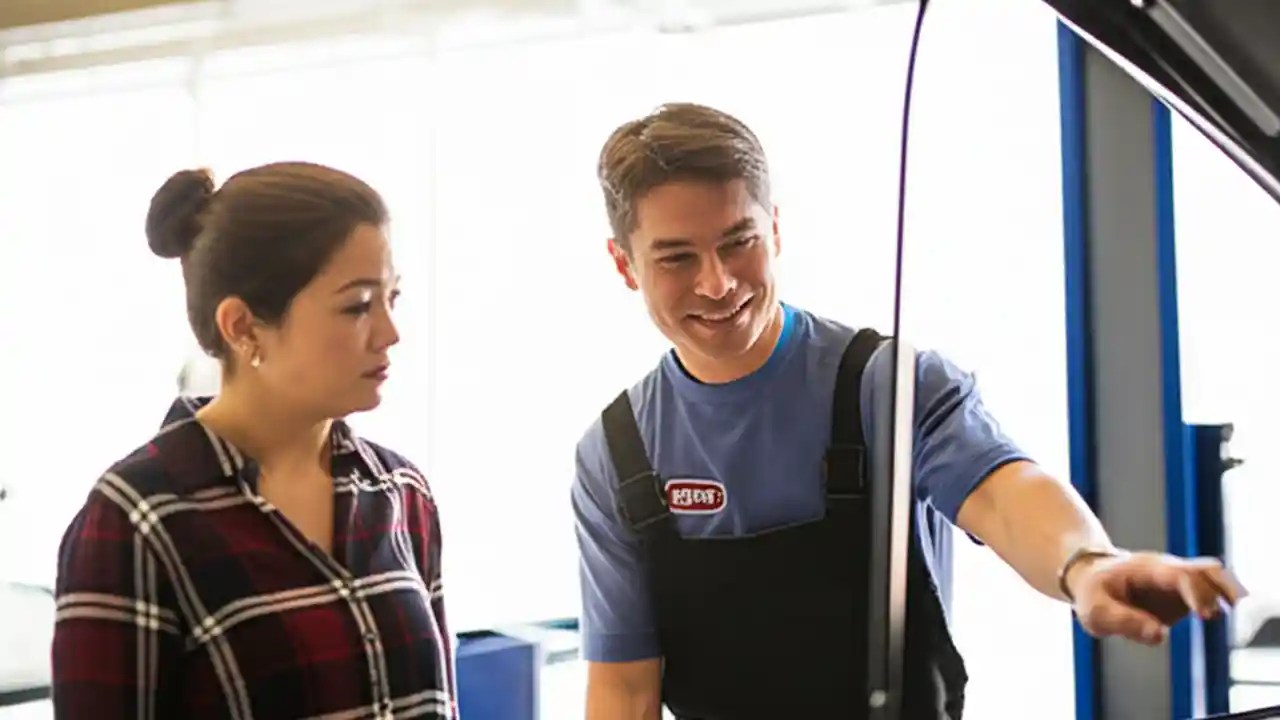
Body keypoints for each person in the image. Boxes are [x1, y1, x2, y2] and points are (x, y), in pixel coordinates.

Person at [571, 102, 1247, 719]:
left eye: (737, 241)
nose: (716, 282)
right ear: (624, 265)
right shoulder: (617, 454)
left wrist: (1087, 565)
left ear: (775, 228)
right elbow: (624, 689)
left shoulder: (887, 384)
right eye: (677, 258)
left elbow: (1008, 496)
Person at [51, 162, 456, 719]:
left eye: (393, 298)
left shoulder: (401, 493)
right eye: (358, 305)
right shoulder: (137, 521)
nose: (390, 332)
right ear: (242, 327)